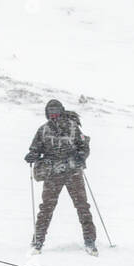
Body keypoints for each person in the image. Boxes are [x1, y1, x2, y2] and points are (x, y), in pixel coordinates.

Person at [25, 99, 96, 254]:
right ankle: (38, 241)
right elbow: (35, 149)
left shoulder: (73, 127)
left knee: (82, 206)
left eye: (56, 110)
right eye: (50, 111)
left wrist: (81, 156)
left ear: (62, 110)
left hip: (73, 172)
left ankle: (90, 240)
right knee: (46, 209)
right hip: (53, 174)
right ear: (47, 113)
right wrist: (32, 155)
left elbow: (84, 147)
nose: (53, 114)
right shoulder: (42, 130)